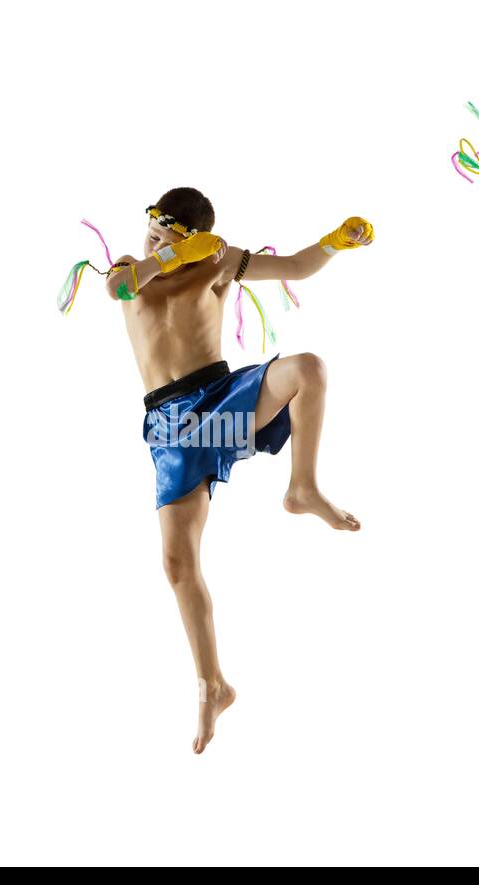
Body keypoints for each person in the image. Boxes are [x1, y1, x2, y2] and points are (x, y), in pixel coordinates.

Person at [107, 187, 372, 752]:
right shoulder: (135, 268)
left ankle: (303, 487)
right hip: (173, 426)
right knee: (177, 564)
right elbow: (120, 288)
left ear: (202, 242)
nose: (155, 248)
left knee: (308, 368)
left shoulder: (221, 261)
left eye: (170, 242)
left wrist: (336, 242)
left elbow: (298, 266)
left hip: (224, 398)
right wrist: (167, 254)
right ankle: (212, 684)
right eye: (153, 237)